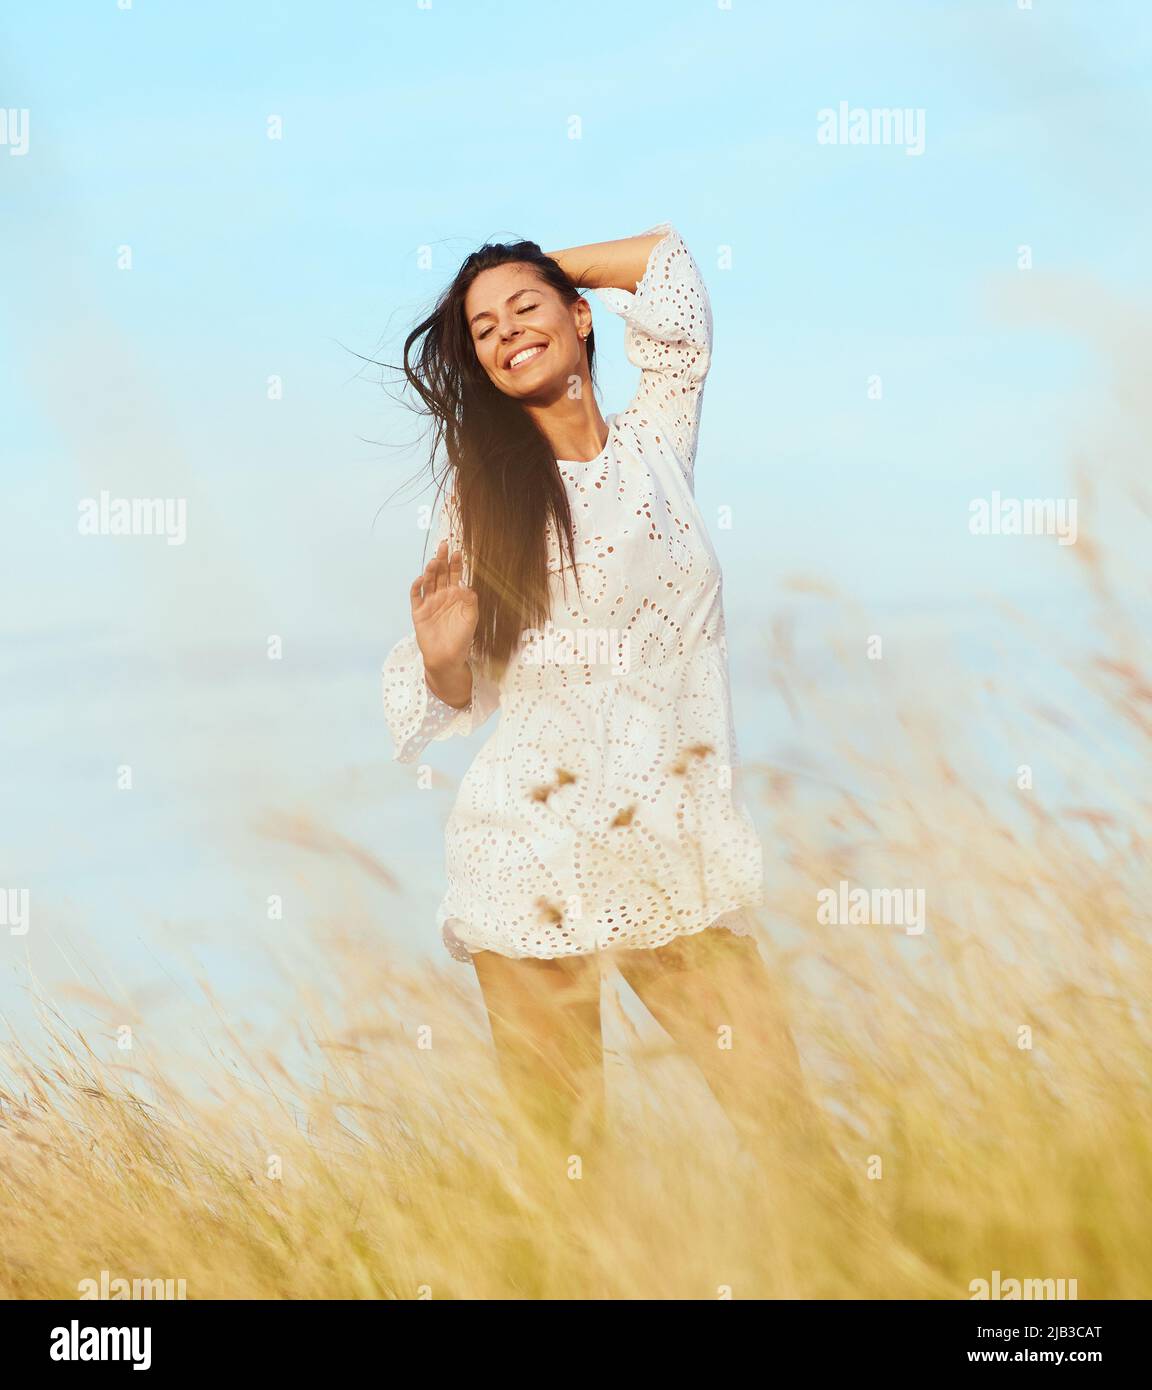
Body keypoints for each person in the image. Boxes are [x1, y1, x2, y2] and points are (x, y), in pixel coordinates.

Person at [382, 223, 841, 1198]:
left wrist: (550, 267)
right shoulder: (485, 498)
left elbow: (668, 268)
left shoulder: (657, 444)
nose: (507, 333)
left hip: (676, 848)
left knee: (791, 1135)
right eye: (483, 330)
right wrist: (441, 656)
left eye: (527, 309)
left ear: (581, 318)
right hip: (532, 856)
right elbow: (451, 700)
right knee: (571, 1180)